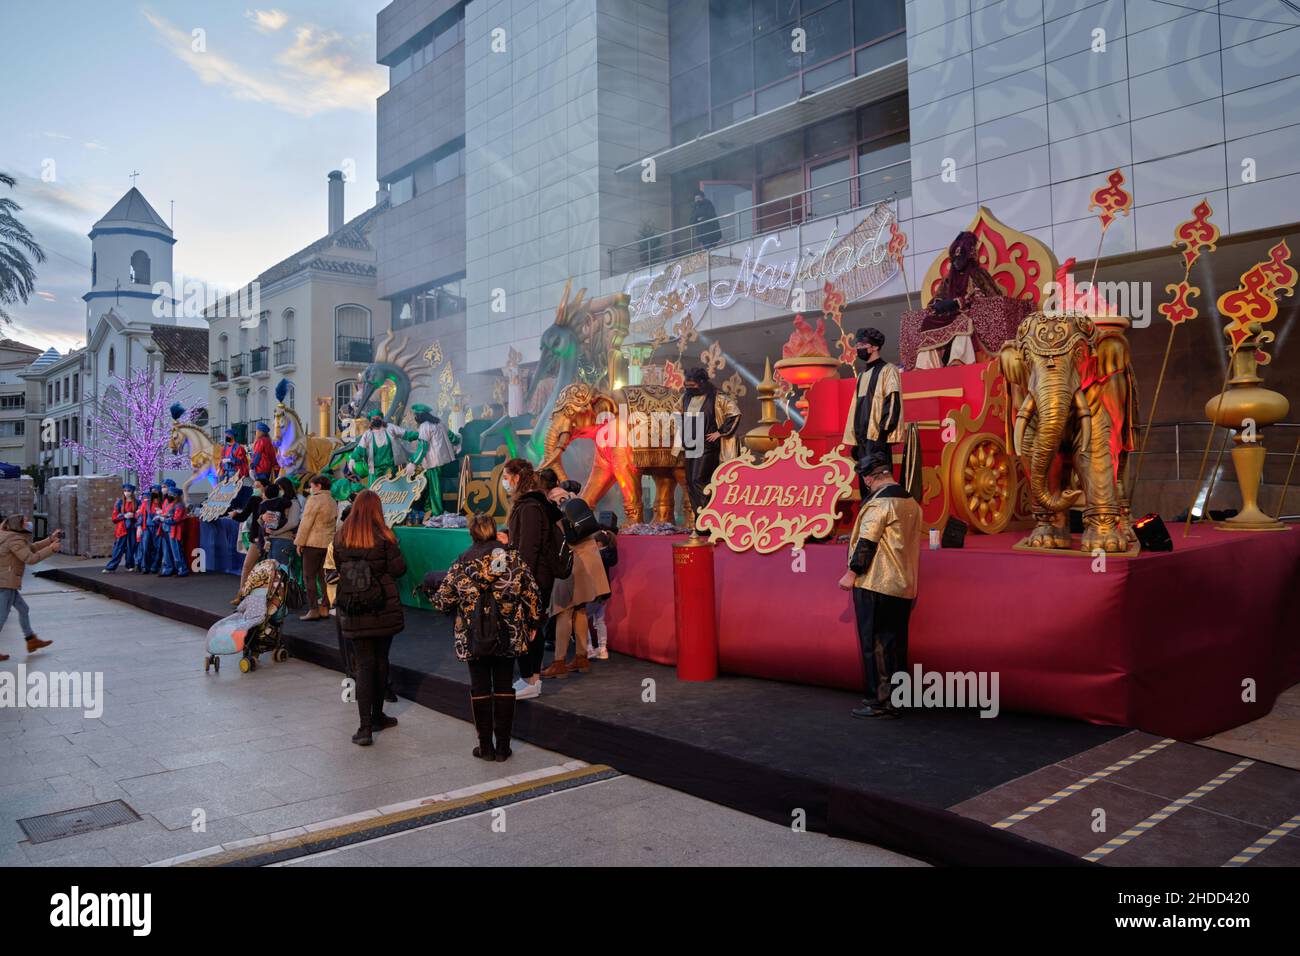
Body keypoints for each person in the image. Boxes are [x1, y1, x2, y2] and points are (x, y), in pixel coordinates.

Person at [427, 513, 542, 762]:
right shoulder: (510, 558)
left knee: (479, 687)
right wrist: (533, 622)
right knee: (504, 685)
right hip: (508, 633)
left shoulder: (461, 563)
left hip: (473, 636)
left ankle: (485, 747)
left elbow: (444, 601)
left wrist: (428, 591)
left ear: (471, 533)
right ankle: (503, 747)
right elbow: (532, 594)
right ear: (494, 531)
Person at [837, 451, 922, 719]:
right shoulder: (910, 501)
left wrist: (851, 574)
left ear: (870, 478)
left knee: (875, 644)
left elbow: (867, 542)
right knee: (896, 643)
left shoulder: (879, 505)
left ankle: (880, 701)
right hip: (904, 583)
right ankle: (900, 697)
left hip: (876, 583)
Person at [333, 489, 406, 746]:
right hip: (382, 607)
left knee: (363, 664)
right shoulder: (385, 536)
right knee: (381, 659)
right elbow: (399, 569)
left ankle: (364, 728)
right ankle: (377, 716)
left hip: (353, 607)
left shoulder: (342, 535)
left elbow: (338, 565)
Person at [502, 458, 565, 700]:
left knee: (531, 627)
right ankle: (528, 677)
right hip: (532, 576)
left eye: (507, 478)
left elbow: (529, 548)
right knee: (527, 626)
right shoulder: (531, 505)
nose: (505, 483)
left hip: (533, 578)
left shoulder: (530, 507)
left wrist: (518, 580)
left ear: (517, 478)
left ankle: (532, 680)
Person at [541, 496, 610, 678]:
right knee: (580, 609)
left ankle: (559, 662)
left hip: (571, 564)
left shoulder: (552, 512)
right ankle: (581, 658)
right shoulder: (574, 504)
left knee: (563, 612)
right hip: (589, 559)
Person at [915, 231, 1002, 369]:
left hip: (968, 313)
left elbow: (992, 299)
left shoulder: (978, 274)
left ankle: (958, 359)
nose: (956, 262)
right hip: (948, 314)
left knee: (962, 321)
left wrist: (962, 302)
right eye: (954, 259)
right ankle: (925, 365)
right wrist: (939, 304)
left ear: (968, 257)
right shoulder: (949, 278)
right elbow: (936, 299)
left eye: (960, 258)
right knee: (928, 322)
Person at [678, 366, 741, 534]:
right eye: (687, 385)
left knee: (700, 481)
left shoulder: (717, 398)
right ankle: (701, 523)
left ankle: (710, 522)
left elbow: (734, 413)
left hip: (707, 447)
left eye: (693, 385)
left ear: (702, 382)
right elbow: (676, 413)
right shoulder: (685, 398)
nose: (690, 388)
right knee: (690, 482)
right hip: (690, 445)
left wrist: (720, 432)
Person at [842, 328, 904, 496]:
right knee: (865, 486)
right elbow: (856, 407)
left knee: (880, 485)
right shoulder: (862, 375)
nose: (858, 348)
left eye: (862, 344)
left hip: (877, 437)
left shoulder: (888, 369)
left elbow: (892, 402)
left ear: (875, 347)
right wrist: (855, 440)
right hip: (862, 440)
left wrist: (883, 435)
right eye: (857, 345)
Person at [0, 515, 60, 660]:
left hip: (8, 581)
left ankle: (31, 640)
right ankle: (31, 640)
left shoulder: (11, 537)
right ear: (18, 525)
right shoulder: (14, 539)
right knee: (1, 617)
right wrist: (51, 549)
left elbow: (31, 548)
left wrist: (50, 540)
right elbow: (30, 558)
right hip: (5, 583)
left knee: (23, 609)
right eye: (25, 521)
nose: (29, 523)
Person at [294, 474, 337, 621]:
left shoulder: (314, 499)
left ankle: (313, 609)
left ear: (318, 486)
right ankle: (325, 607)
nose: (310, 489)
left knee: (309, 577)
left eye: (312, 486)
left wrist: (299, 542)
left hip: (312, 543)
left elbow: (306, 523)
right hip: (328, 543)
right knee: (324, 577)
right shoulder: (332, 501)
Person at [407, 404, 457, 521]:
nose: (415, 418)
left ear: (420, 416)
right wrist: (459, 441)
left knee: (434, 489)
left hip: (434, 463)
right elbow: (452, 437)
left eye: (415, 415)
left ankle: (436, 515)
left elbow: (423, 447)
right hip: (445, 462)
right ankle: (429, 511)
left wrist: (413, 462)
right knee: (430, 486)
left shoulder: (425, 426)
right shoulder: (439, 423)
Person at [229, 478, 270, 603]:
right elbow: (243, 516)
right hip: (257, 538)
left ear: (265, 487)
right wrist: (235, 515)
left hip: (272, 537)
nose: (255, 488)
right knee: (248, 566)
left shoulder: (276, 501)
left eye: (257, 486)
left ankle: (269, 597)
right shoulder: (254, 499)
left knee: (268, 569)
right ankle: (242, 594)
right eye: (254, 486)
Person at [353, 413, 417, 485]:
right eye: (373, 419)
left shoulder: (390, 427)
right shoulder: (367, 434)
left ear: (382, 418)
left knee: (395, 491)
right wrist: (353, 459)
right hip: (376, 472)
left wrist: (418, 435)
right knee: (376, 493)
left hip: (392, 469)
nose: (376, 420)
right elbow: (360, 449)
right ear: (370, 421)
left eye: (378, 418)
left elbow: (406, 434)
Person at [586, 516, 618, 660]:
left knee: (582, 620)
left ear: (598, 543)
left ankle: (588, 648)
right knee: (600, 621)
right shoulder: (609, 554)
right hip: (605, 592)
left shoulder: (595, 555)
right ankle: (603, 648)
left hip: (593, 592)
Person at [261, 476, 301, 565]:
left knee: (279, 571)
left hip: (284, 539)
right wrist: (263, 517)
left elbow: (293, 523)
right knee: (271, 570)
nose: (277, 491)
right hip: (272, 540)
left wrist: (276, 532)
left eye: (279, 488)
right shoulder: (275, 502)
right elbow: (263, 518)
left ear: (284, 488)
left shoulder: (293, 503)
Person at [103, 483, 138, 573]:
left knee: (131, 547)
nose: (127, 493)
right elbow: (114, 518)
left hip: (132, 528)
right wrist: (124, 516)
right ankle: (111, 567)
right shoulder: (120, 502)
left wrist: (134, 515)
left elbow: (141, 515)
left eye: (129, 491)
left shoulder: (137, 502)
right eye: (125, 491)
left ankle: (130, 565)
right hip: (122, 529)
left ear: (132, 492)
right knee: (118, 548)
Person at [158, 486, 190, 578]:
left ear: (176, 496)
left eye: (171, 494)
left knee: (176, 551)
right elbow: (167, 514)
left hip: (174, 530)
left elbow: (176, 519)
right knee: (167, 551)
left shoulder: (179, 505)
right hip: (166, 529)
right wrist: (162, 516)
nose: (169, 496)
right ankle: (168, 569)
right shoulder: (168, 503)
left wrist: (163, 519)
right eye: (169, 494)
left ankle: (182, 570)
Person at [134, 485, 162, 575]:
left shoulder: (162, 503)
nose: (154, 493)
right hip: (147, 528)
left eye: (156, 491)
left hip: (158, 528)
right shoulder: (146, 503)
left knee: (157, 548)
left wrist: (161, 513)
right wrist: (139, 526)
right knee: (145, 547)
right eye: (152, 491)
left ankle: (154, 566)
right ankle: (144, 566)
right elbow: (140, 515)